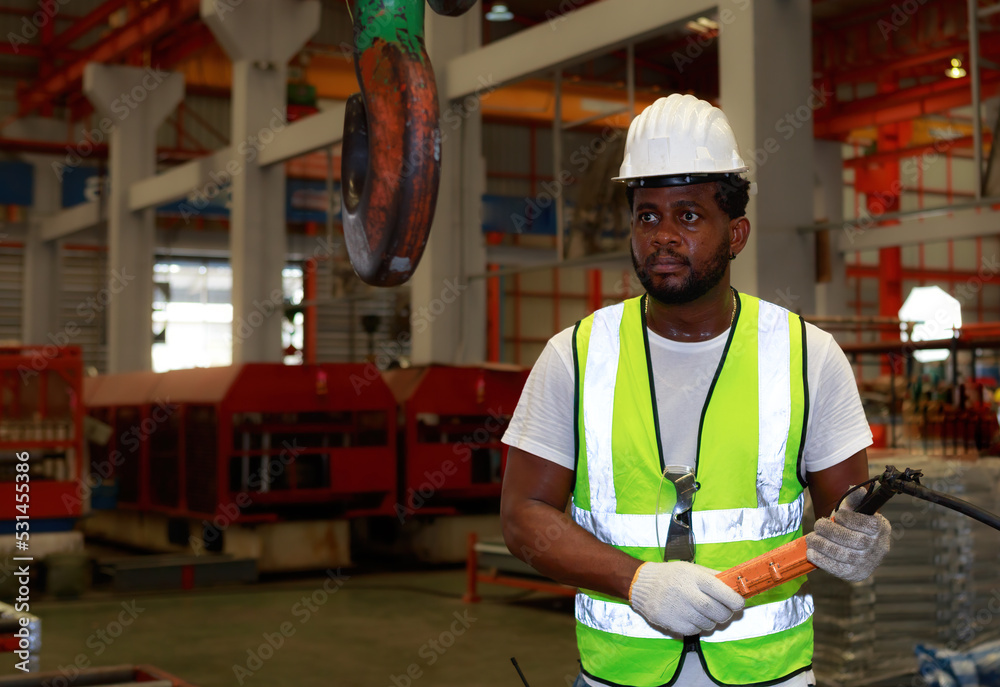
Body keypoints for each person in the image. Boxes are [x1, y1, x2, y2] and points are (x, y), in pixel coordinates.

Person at [500, 94, 892, 687]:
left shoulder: (807, 355)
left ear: (736, 233)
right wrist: (636, 580)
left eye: (687, 215)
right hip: (619, 676)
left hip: (768, 675)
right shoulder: (576, 357)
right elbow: (523, 517)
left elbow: (849, 510)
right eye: (647, 215)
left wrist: (863, 541)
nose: (662, 236)